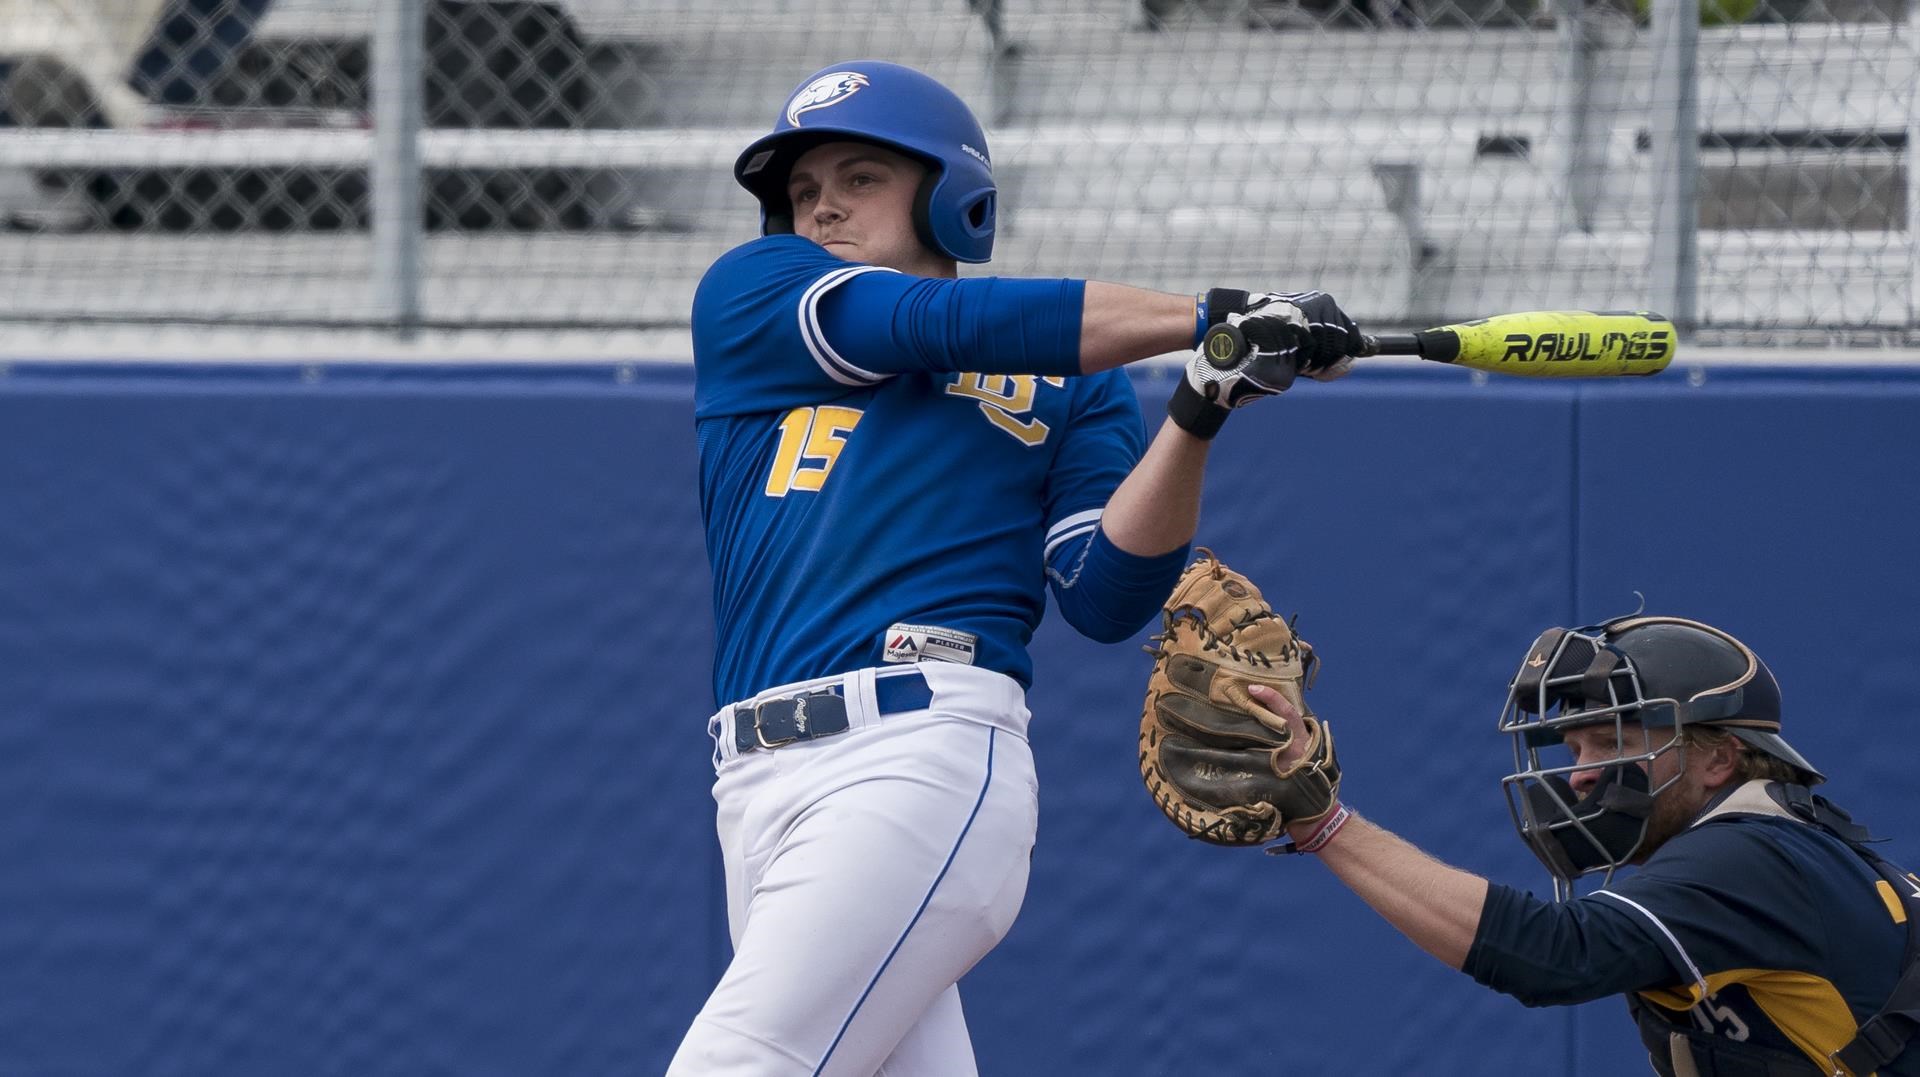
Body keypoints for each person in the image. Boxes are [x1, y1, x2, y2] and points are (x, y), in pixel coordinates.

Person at [668, 59, 1364, 1076]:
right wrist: (1211, 310)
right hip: (756, 785)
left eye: (859, 180)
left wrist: (1199, 406)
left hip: (913, 759)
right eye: (804, 192)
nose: (822, 208)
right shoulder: (754, 296)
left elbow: (1103, 591)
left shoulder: (1074, 385)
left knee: (744, 1062)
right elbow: (924, 323)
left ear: (954, 200)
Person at [1248, 614, 1920, 1077]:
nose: (1580, 773)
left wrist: (1323, 822)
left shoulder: (1749, 855)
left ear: (1720, 758)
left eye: (1614, 740)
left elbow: (1553, 954)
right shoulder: (1778, 846)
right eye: (1574, 747)